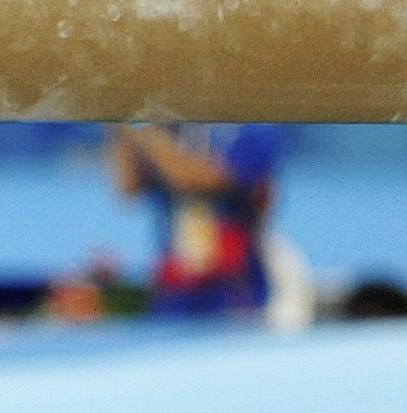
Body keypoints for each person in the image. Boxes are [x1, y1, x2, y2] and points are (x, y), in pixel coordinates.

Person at [106, 123, 283, 315]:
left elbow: (192, 178)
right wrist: (119, 126)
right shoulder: (171, 125)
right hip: (176, 288)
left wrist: (143, 128)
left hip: (233, 288)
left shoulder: (251, 126)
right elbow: (127, 186)